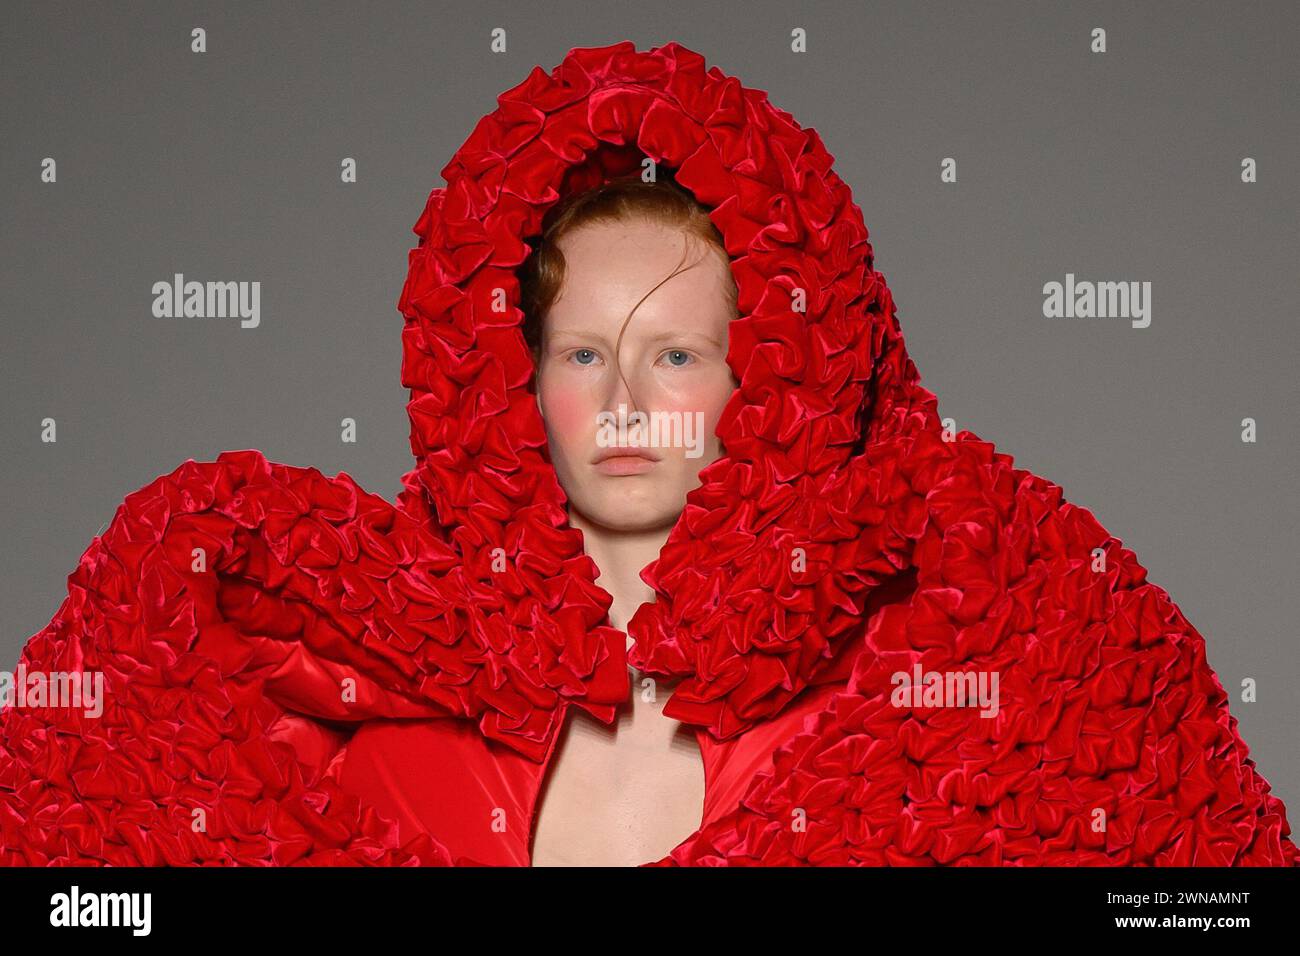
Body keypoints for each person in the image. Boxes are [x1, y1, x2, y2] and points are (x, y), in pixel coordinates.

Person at [0, 40, 1293, 868]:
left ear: (762, 380)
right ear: (511, 386)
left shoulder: (931, 688)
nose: (624, 397)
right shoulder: (360, 707)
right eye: (581, 355)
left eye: (673, 353)